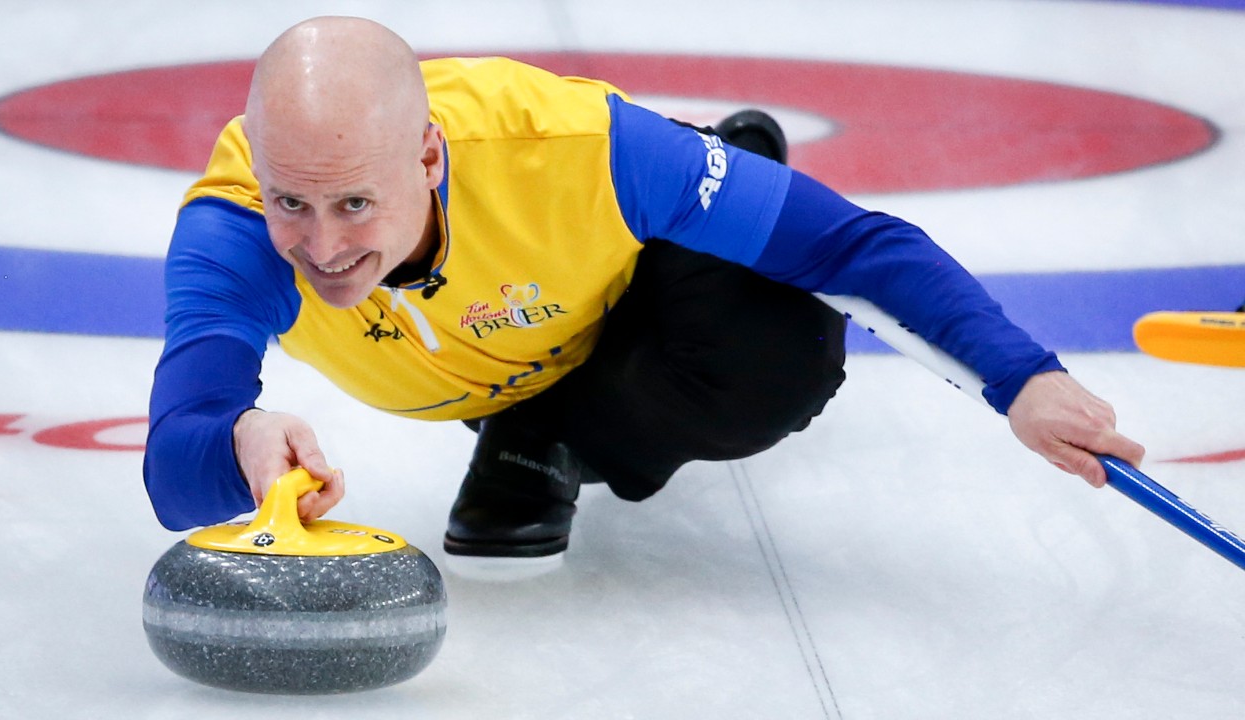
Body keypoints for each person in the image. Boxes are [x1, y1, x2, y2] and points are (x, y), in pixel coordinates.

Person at [144, 16, 1145, 568]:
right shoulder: (234, 230)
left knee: (782, 355)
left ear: (429, 156)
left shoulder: (571, 146)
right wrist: (236, 443)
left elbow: (853, 245)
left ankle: (728, 177)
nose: (321, 248)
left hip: (637, 292)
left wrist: (1022, 378)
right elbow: (175, 464)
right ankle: (536, 430)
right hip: (504, 362)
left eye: (356, 203)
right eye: (292, 201)